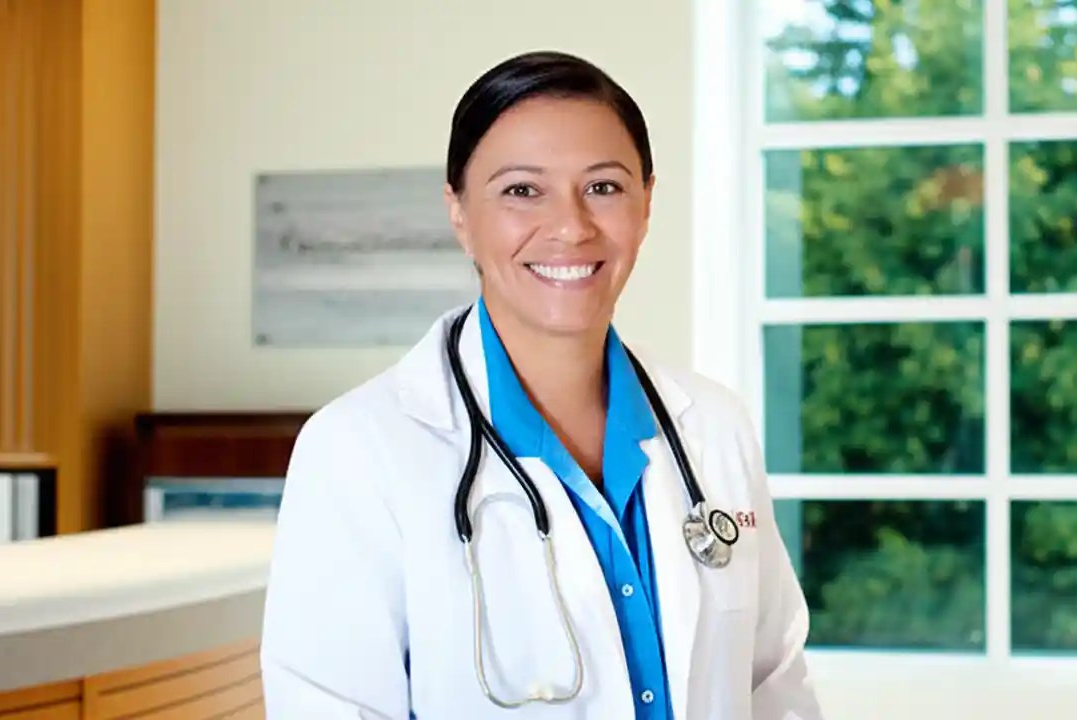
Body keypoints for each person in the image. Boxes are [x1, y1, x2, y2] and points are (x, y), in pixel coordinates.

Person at [259, 50, 825, 720]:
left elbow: (774, 685)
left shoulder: (712, 426)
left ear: (647, 205)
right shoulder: (357, 449)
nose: (570, 227)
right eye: (522, 191)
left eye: (605, 188)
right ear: (460, 213)